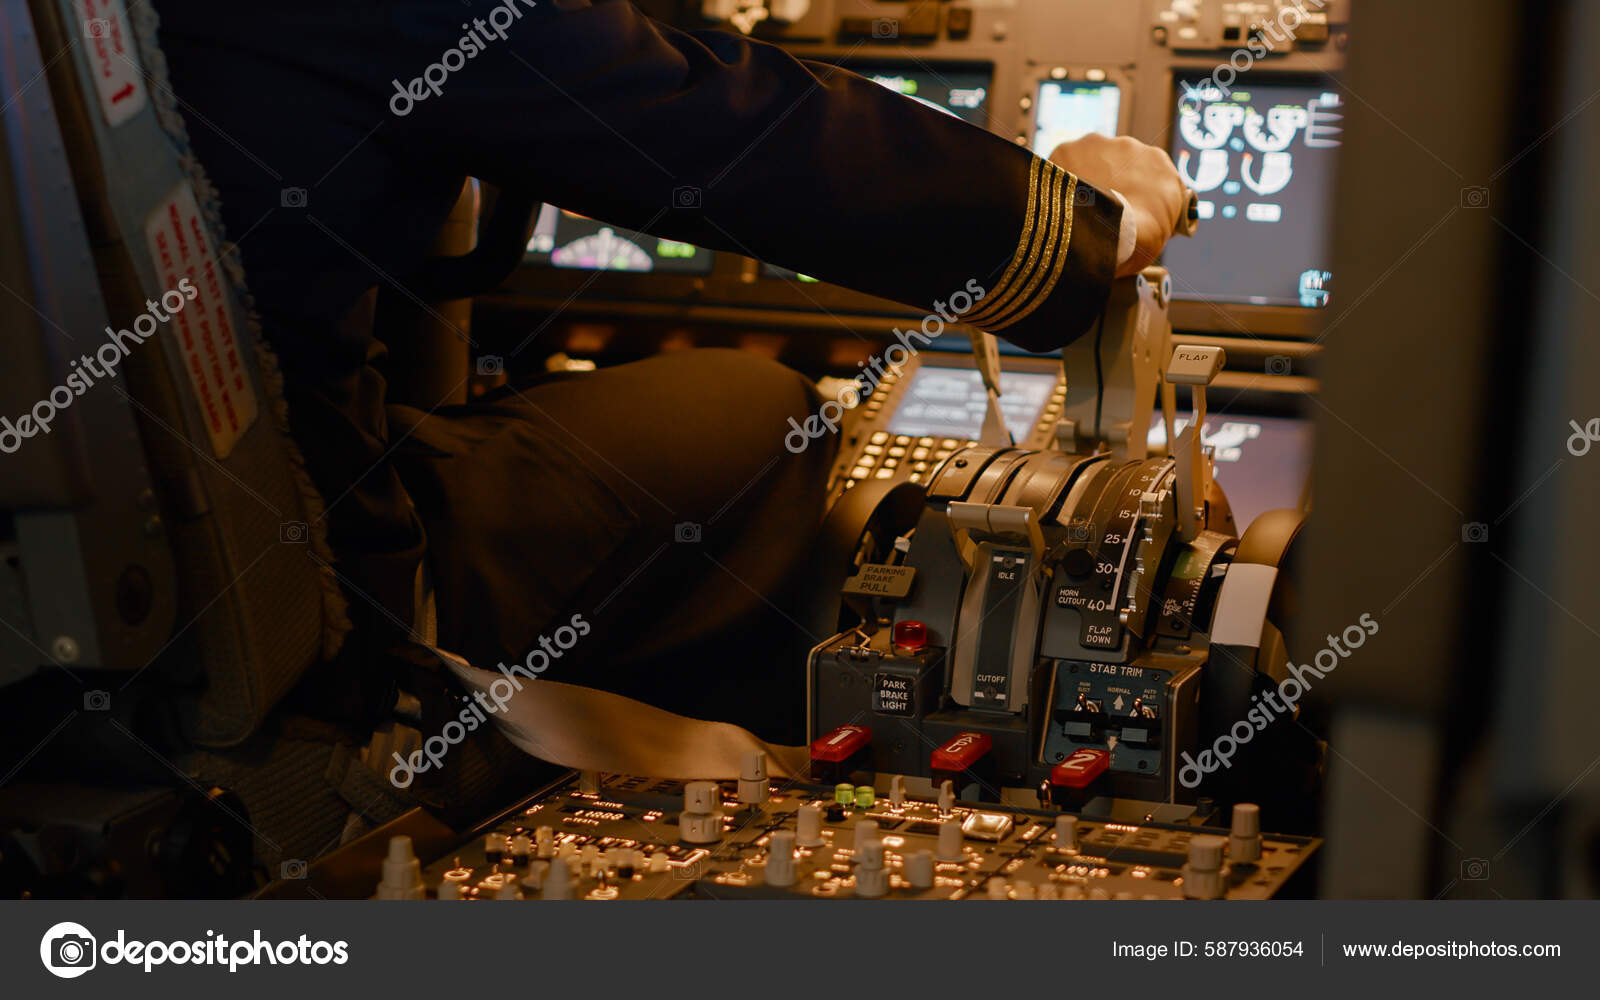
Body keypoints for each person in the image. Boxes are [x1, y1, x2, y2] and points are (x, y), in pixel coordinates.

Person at [150, 0, 1189, 745]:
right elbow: (700, 125)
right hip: (293, 570)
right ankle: (513, 745)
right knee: (749, 407)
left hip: (116, 549)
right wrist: (1066, 221)